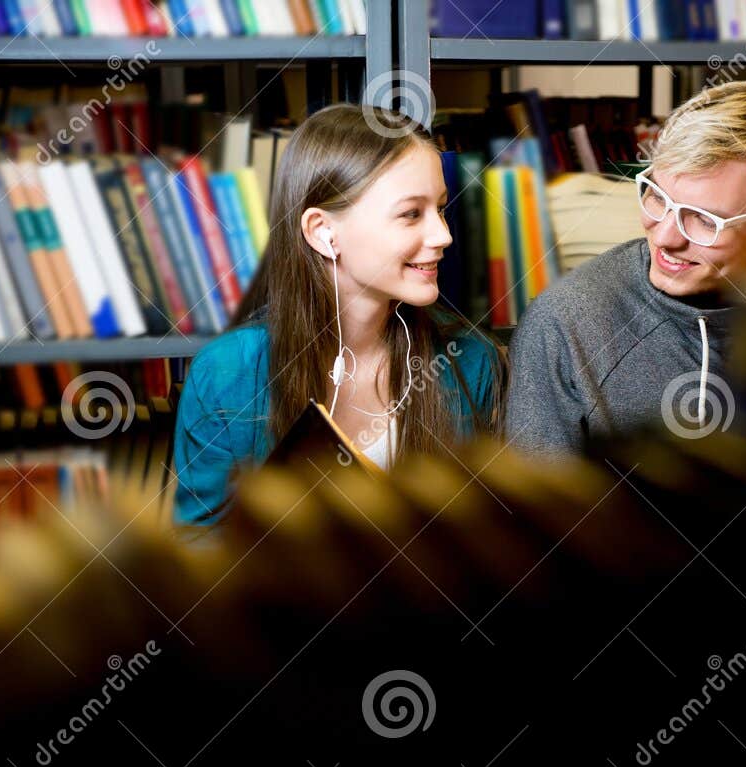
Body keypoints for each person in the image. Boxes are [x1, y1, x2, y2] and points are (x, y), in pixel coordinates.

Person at [172, 104, 503, 528]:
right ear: (323, 232)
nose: (444, 235)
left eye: (440, 208)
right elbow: (201, 559)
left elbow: (488, 542)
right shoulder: (226, 374)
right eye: (410, 214)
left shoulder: (469, 361)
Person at [504, 80, 746, 454]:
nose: (666, 237)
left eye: (704, 220)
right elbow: (539, 508)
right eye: (657, 196)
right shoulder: (565, 322)